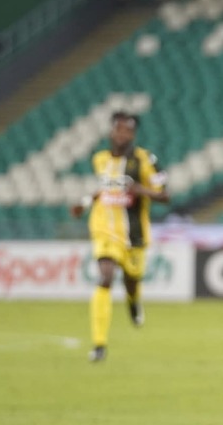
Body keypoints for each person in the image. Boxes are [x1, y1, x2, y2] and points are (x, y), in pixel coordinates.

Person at [69, 111, 168, 362]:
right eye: (119, 129)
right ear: (111, 131)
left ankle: (134, 301)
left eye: (128, 130)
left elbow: (164, 195)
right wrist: (84, 203)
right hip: (103, 229)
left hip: (134, 235)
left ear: (133, 134)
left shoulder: (145, 160)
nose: (122, 134)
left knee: (132, 280)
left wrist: (139, 189)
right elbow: (103, 189)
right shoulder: (100, 159)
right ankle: (99, 344)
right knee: (105, 276)